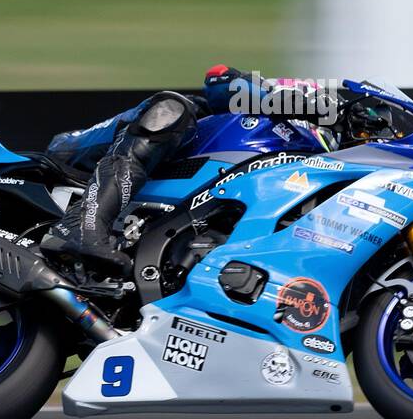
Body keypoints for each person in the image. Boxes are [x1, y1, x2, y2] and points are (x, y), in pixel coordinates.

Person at [40, 65, 329, 272]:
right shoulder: (298, 109)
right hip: (77, 154)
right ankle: (83, 224)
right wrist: (306, 104)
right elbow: (219, 77)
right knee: (174, 107)